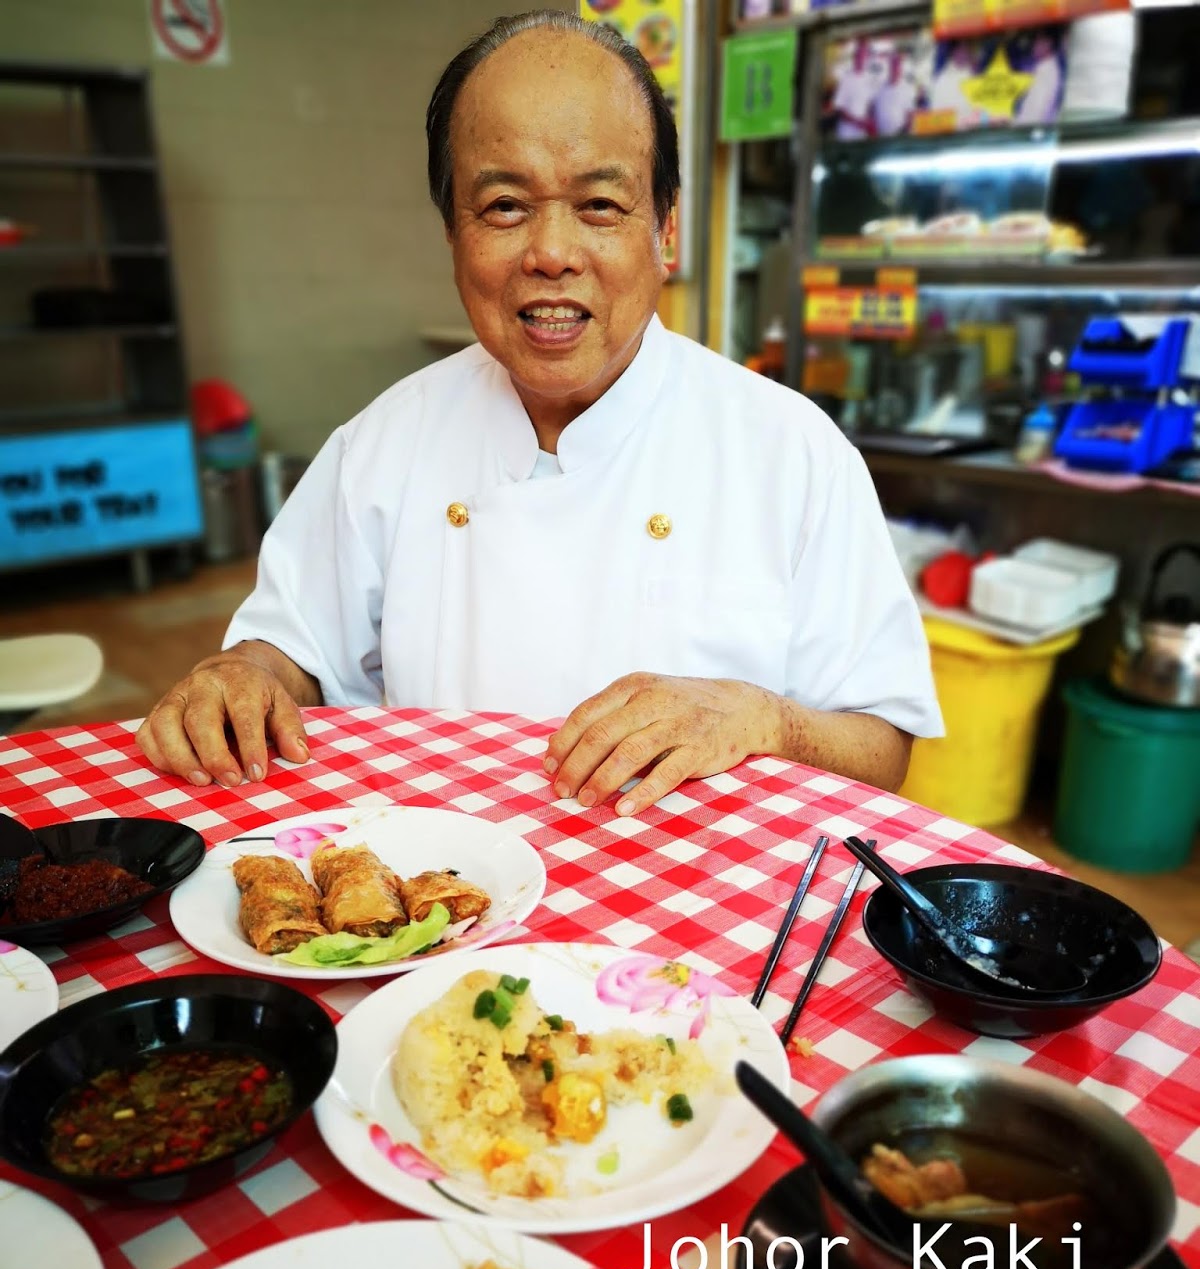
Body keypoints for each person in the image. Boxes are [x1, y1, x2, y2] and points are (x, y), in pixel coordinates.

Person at [138, 9, 942, 818]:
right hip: (451, 892)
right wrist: (242, 676)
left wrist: (765, 720)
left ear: (664, 229)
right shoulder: (385, 441)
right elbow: (290, 648)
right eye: (504, 207)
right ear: (452, 230)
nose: (552, 253)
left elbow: (883, 744)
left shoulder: (789, 449)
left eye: (599, 203)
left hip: (704, 913)